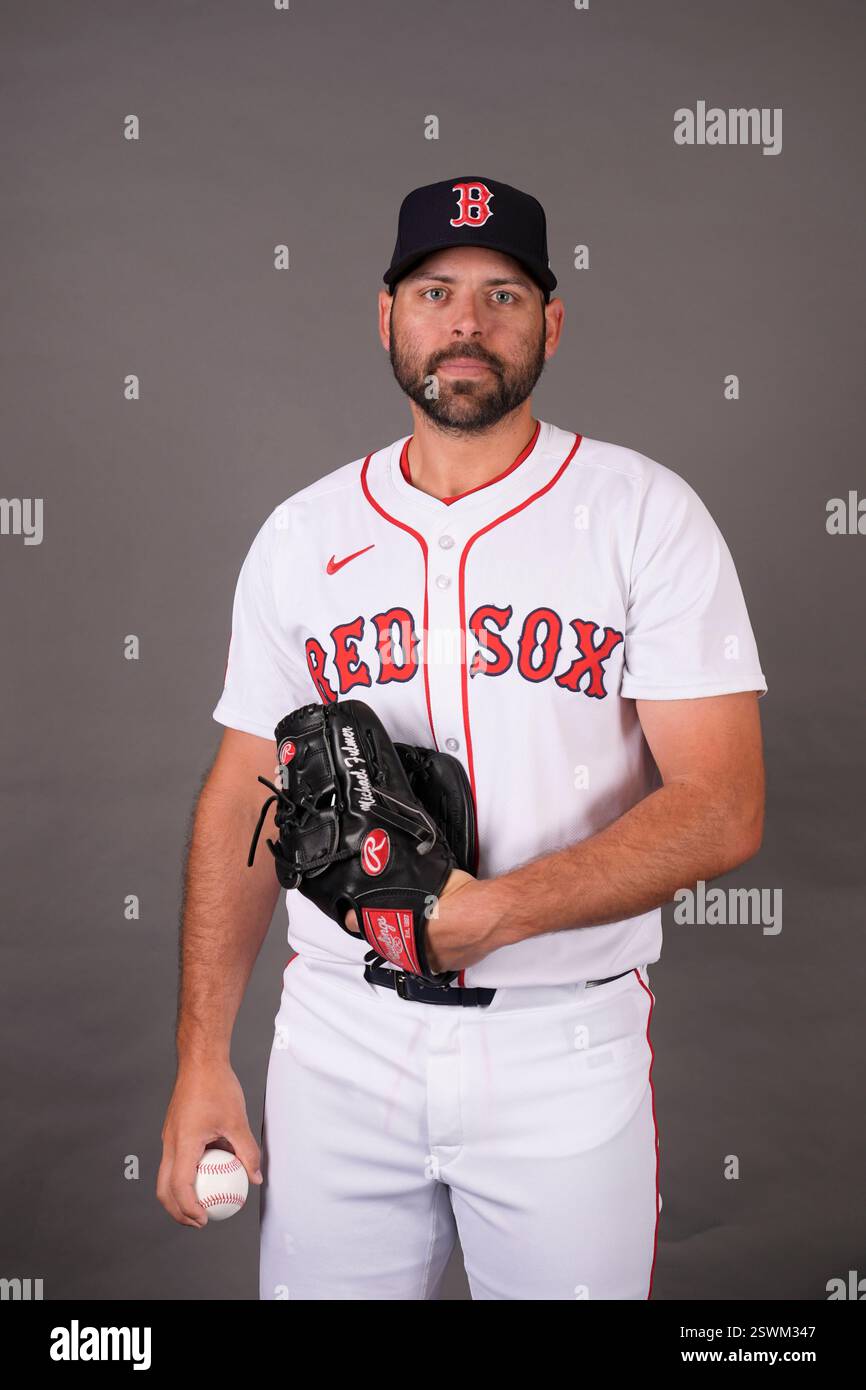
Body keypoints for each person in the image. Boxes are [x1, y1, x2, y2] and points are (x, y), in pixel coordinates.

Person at [157, 176, 767, 1300]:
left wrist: (492, 911)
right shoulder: (302, 534)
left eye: (503, 294)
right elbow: (243, 791)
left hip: (560, 1040)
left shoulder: (643, 513)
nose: (467, 323)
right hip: (337, 1039)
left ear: (551, 323)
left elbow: (721, 807)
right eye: (435, 290)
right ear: (385, 315)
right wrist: (201, 1057)